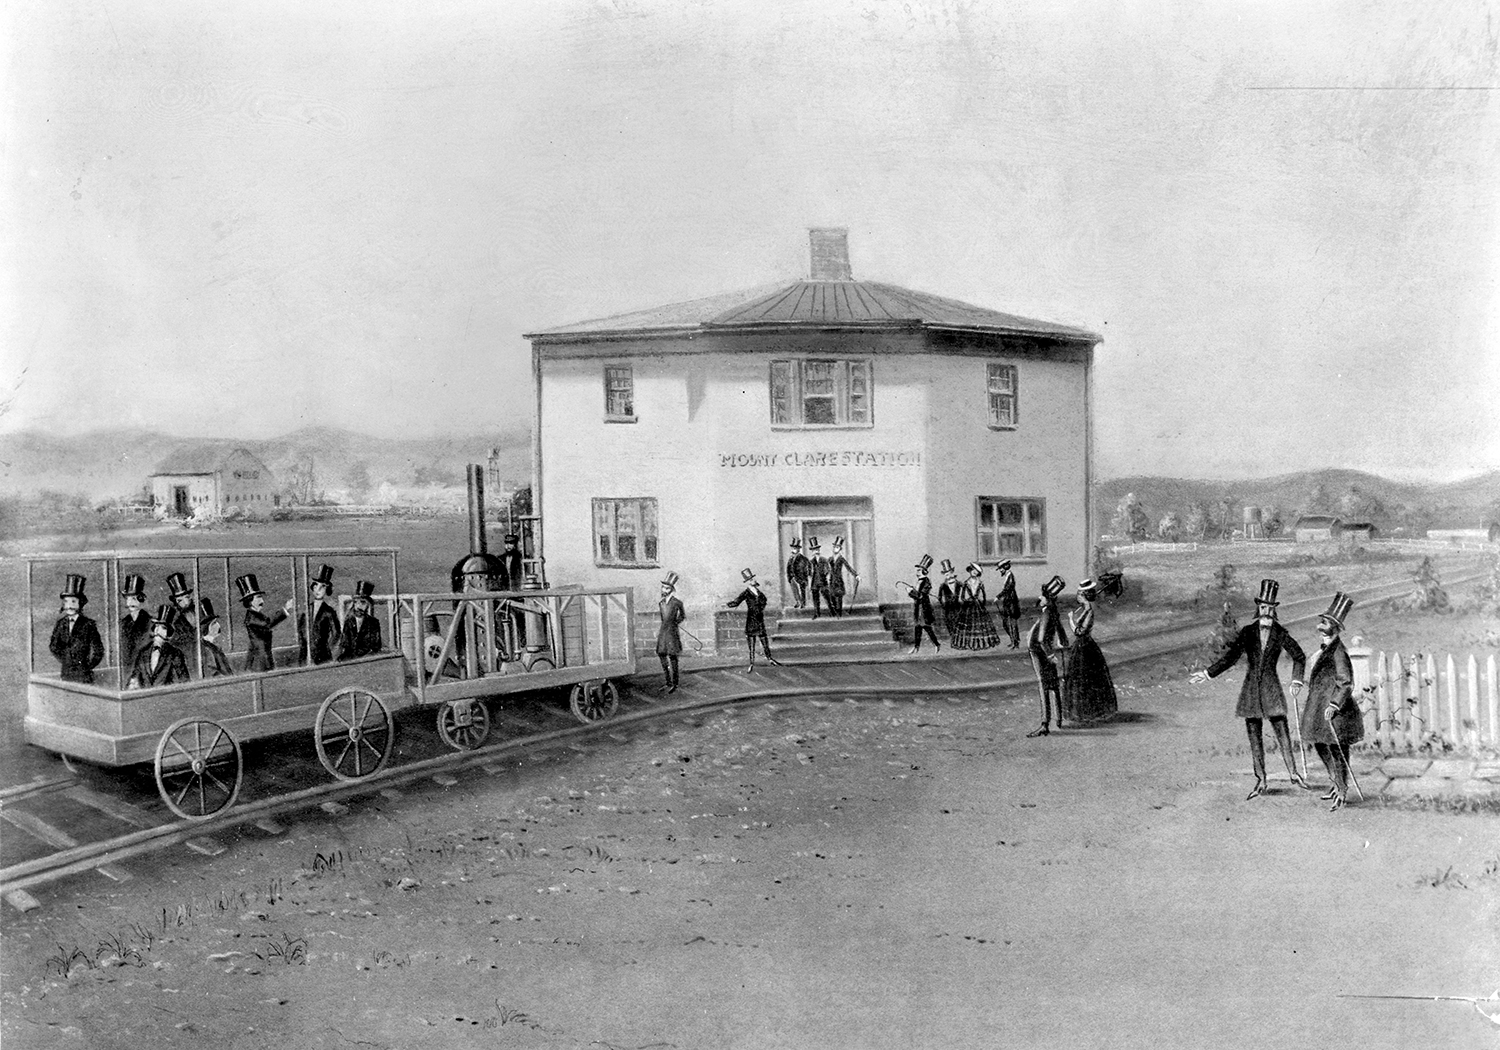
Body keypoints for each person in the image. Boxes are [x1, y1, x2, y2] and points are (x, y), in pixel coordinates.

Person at [1191, 579, 1308, 799]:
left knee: (1282, 733)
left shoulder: (1281, 633)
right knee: (1255, 738)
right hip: (1252, 691)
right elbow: (1231, 657)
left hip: (1272, 690)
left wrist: (1296, 681)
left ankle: (1294, 774)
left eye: (1271, 608)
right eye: (1263, 607)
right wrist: (1207, 673)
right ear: (1258, 608)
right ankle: (1261, 779)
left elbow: (1299, 657)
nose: (1267, 611)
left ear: (1275, 610)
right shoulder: (1248, 632)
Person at [1300, 592, 1361, 812]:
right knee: (1319, 743)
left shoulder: (1338, 652)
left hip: (1335, 710)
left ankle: (1342, 791)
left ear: (1333, 627)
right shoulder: (1325, 649)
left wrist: (1334, 705)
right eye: (1321, 621)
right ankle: (1335, 783)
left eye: (1324, 622)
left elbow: (1346, 682)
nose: (1320, 625)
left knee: (1338, 750)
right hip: (1319, 707)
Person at [1061, 578, 1119, 723]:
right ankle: (1081, 712)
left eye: (1079, 594)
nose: (1077, 596)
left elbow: (1079, 632)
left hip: (1085, 648)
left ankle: (1089, 713)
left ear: (1084, 596)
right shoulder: (1085, 610)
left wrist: (1070, 620)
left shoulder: (1089, 612)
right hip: (1081, 647)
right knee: (1079, 680)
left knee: (1086, 680)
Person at [1026, 575, 1070, 737]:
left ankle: (1045, 724)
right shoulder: (1053, 611)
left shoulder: (1046, 613)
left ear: (1047, 599)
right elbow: (1060, 629)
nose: (1040, 598)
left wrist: (1050, 655)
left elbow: (1040, 639)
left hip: (1040, 652)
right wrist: (1064, 641)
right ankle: (1059, 719)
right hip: (1046, 651)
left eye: (1042, 596)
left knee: (1043, 685)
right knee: (1054, 684)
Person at [49, 574, 104, 684]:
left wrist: (86, 666)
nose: (69, 606)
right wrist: (66, 660)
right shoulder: (61, 624)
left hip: (84, 675)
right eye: (66, 602)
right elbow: (54, 646)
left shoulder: (88, 624)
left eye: (73, 601)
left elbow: (98, 650)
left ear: (80, 603)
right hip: (66, 674)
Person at [238, 573, 295, 673]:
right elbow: (268, 623)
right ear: (250, 601)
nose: (262, 601)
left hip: (263, 659)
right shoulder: (252, 617)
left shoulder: (256, 615)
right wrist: (285, 609)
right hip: (259, 662)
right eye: (258, 597)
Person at [727, 568, 780, 671]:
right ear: (748, 582)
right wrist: (727, 605)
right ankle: (751, 663)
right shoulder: (746, 593)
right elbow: (736, 602)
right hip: (751, 619)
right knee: (751, 643)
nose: (754, 580)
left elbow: (764, 600)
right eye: (751, 580)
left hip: (759, 619)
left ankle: (770, 658)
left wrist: (760, 608)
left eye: (753, 579)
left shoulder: (758, 592)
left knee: (764, 640)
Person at [128, 605, 191, 688]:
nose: (158, 631)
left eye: (163, 628)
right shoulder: (143, 653)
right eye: (156, 626)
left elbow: (184, 681)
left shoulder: (175, 654)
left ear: (168, 633)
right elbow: (134, 679)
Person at [952, 563, 1000, 650]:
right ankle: (967, 644)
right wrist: (968, 600)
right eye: (973, 570)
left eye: (976, 571)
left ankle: (982, 643)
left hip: (978, 606)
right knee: (968, 624)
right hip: (968, 606)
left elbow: (984, 596)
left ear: (978, 573)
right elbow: (962, 597)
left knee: (981, 625)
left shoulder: (980, 583)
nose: (974, 572)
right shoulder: (966, 583)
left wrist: (980, 602)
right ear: (970, 571)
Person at [301, 564, 342, 665]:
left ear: (327, 590)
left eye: (323, 586)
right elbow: (301, 630)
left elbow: (336, 633)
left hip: (322, 655)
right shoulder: (307, 609)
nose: (318, 589)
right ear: (313, 587)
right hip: (306, 654)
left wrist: (326, 648)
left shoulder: (329, 612)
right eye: (316, 585)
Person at [339, 580, 384, 660]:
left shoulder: (373, 623)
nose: (359, 606)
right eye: (356, 602)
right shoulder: (348, 622)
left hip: (367, 661)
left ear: (368, 605)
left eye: (363, 603)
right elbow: (345, 645)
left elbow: (376, 648)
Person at [118, 574, 152, 680]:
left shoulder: (149, 621)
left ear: (140, 599)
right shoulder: (123, 623)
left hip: (143, 669)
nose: (130, 602)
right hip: (126, 668)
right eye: (128, 599)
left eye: (134, 598)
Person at [163, 572, 199, 671]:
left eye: (186, 598)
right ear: (176, 604)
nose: (185, 603)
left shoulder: (202, 614)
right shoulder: (178, 625)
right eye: (180, 601)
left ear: (190, 597)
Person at [656, 571, 685, 693]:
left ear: (671, 589)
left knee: (673, 657)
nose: (664, 589)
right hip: (663, 633)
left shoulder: (677, 603)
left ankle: (675, 683)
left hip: (672, 633)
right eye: (663, 587)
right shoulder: (661, 603)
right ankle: (667, 682)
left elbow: (682, 616)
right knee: (662, 655)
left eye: (667, 588)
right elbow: (663, 618)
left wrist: (675, 623)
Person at [907, 554, 941, 654]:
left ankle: (936, 644)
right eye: (917, 570)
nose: (917, 572)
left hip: (924, 608)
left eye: (919, 570)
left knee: (926, 627)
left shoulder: (926, 582)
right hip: (918, 608)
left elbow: (921, 596)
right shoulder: (919, 581)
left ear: (924, 571)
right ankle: (916, 647)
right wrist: (913, 591)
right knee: (917, 628)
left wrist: (911, 592)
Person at [197, 597, 234, 678]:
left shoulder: (213, 645)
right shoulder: (206, 649)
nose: (218, 625)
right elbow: (213, 673)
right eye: (214, 623)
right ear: (206, 628)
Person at [827, 535, 859, 617]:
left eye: (837, 547)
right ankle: (835, 615)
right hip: (831, 581)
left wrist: (856, 575)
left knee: (839, 600)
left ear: (840, 549)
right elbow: (825, 568)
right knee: (832, 599)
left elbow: (848, 567)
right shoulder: (830, 559)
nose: (835, 549)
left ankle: (839, 615)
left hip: (838, 581)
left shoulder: (841, 559)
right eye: (834, 547)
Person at [995, 559, 1022, 649]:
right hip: (1008, 602)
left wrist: (998, 596)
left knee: (1011, 623)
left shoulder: (1010, 576)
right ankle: (1013, 641)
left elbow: (1008, 589)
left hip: (1011, 603)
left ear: (1005, 567)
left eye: (1000, 568)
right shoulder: (1007, 575)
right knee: (1007, 623)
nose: (1000, 570)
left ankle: (1015, 642)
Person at [937, 560, 962, 643]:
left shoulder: (959, 584)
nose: (947, 575)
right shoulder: (943, 585)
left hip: (958, 606)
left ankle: (960, 638)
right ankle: (953, 638)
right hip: (948, 608)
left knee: (959, 621)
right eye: (945, 573)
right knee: (949, 622)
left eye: (949, 572)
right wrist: (943, 604)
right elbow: (939, 597)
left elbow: (965, 593)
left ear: (952, 572)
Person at [807, 538, 831, 619]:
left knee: (827, 597)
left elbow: (828, 569)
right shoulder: (811, 561)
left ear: (819, 550)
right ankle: (817, 613)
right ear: (812, 552)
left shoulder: (824, 560)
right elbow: (808, 572)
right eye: (814, 550)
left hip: (823, 582)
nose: (816, 551)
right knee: (815, 599)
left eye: (817, 549)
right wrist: (810, 573)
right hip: (814, 583)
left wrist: (823, 574)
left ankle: (832, 611)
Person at [785, 539, 810, 610]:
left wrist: (804, 576)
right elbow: (788, 567)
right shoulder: (791, 558)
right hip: (792, 577)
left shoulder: (803, 558)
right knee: (795, 590)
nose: (793, 550)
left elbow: (806, 568)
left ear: (798, 549)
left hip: (800, 577)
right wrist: (789, 577)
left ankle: (803, 603)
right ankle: (798, 601)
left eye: (795, 548)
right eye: (793, 548)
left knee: (802, 591)